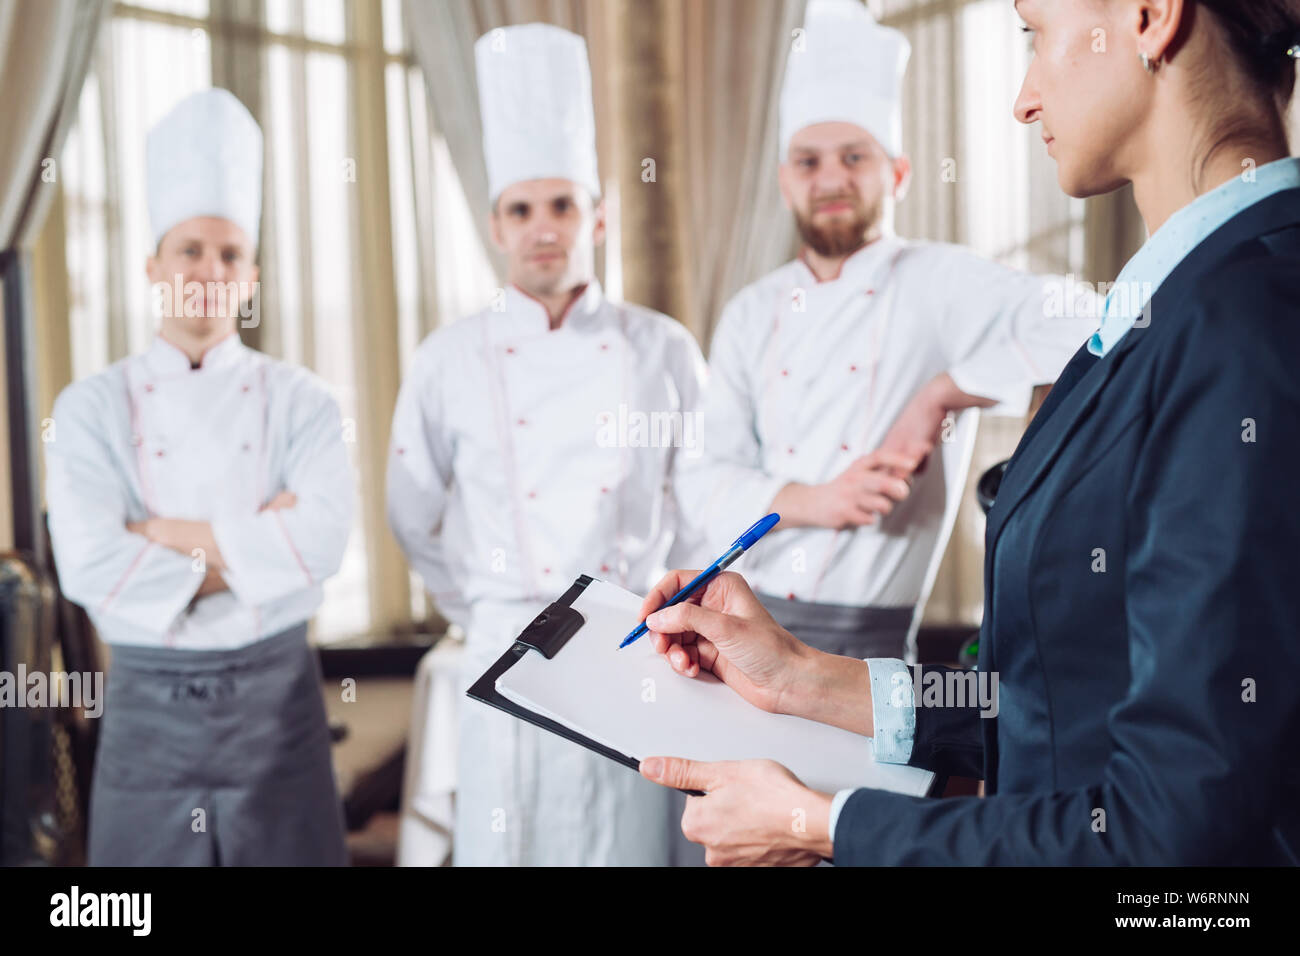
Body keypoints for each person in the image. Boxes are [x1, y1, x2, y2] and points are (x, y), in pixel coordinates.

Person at [636, 0, 1300, 865]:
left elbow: (1167, 838)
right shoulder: (1174, 309)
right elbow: (1047, 702)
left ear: (1147, 17)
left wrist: (816, 824)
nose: (1023, 99)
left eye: (1037, 34)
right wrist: (801, 674)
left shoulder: (1238, 322)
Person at [677, 0, 1100, 663]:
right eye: (808, 162)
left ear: (897, 174)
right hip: (741, 629)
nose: (831, 180)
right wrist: (817, 500)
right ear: (786, 183)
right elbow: (702, 482)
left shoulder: (940, 281)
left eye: (854, 156)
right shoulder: (750, 311)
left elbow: (1093, 319)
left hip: (868, 653)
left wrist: (943, 392)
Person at [387, 23, 707, 866]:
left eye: (562, 205)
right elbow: (411, 513)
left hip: (628, 650)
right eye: (522, 210)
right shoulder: (447, 358)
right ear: (495, 225)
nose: (543, 228)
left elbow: (704, 504)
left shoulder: (664, 347)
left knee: (627, 846)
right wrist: (483, 604)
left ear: (596, 217)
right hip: (505, 652)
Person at [45, 88, 354, 866]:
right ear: (153, 265)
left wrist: (163, 538)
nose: (209, 271)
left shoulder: (304, 400)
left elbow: (321, 544)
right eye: (190, 250)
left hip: (277, 711)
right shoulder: (89, 407)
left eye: (230, 254)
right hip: (149, 718)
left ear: (251, 276)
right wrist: (256, 545)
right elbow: (88, 562)